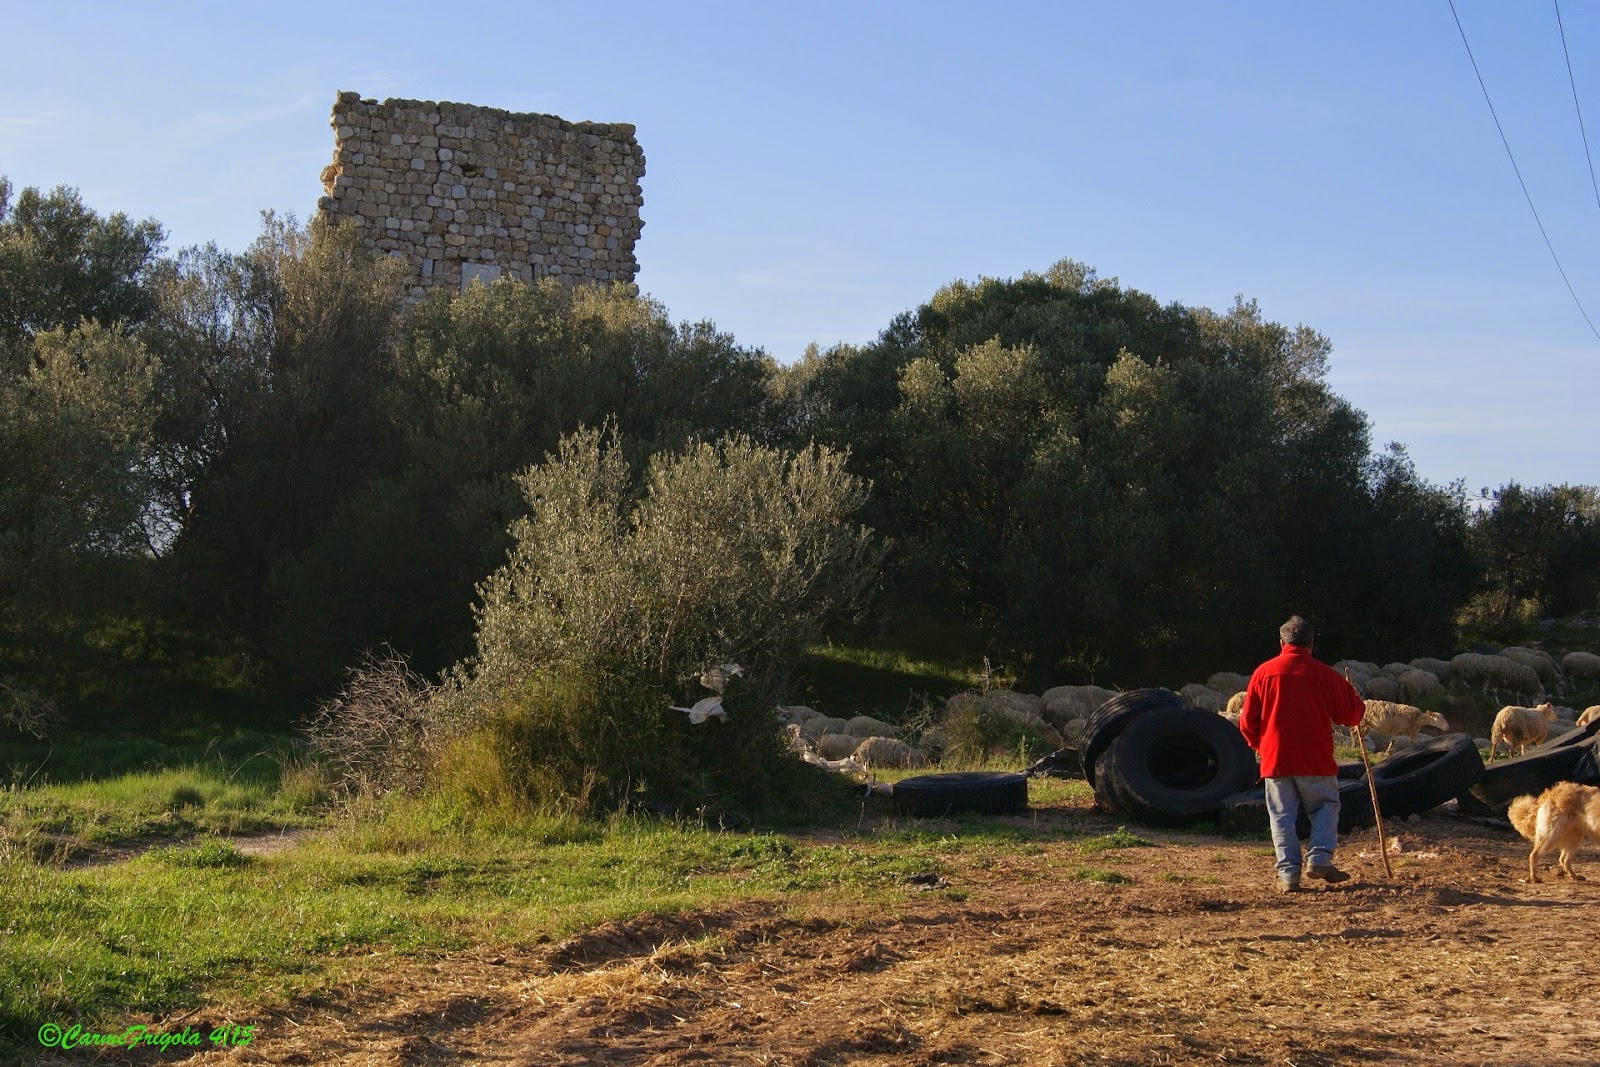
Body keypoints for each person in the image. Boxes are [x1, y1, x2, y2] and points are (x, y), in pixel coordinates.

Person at [1237, 615, 1366, 893]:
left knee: (1281, 816)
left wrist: (1261, 747)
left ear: (1281, 642)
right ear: (1311, 643)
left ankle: (1288, 875)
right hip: (1315, 758)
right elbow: (1350, 716)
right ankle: (1319, 858)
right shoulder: (1324, 674)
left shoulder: (1263, 673)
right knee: (1325, 806)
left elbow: (1247, 723)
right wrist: (1355, 699)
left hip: (1276, 759)